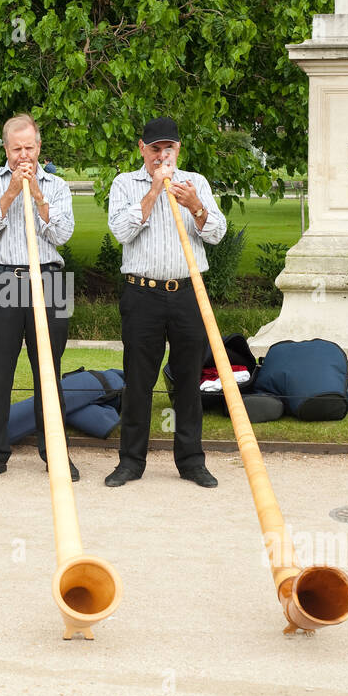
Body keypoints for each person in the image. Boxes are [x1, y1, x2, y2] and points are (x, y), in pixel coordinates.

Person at [105, 116, 228, 489]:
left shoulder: (198, 184)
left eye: (168, 148)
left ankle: (191, 461)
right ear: (142, 149)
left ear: (179, 149)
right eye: (155, 149)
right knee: (139, 380)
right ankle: (131, 462)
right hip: (142, 294)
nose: (162, 156)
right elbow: (121, 231)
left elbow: (218, 233)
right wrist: (154, 192)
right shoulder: (125, 183)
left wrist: (196, 207)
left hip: (189, 293)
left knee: (188, 380)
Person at [0, 113, 78, 482]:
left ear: (39, 147)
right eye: (16, 149)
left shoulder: (58, 186)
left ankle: (56, 454)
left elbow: (63, 234)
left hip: (49, 280)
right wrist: (12, 192)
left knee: (49, 370)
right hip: (0, 279)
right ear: (5, 149)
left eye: (29, 147)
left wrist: (37, 196)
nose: (23, 155)